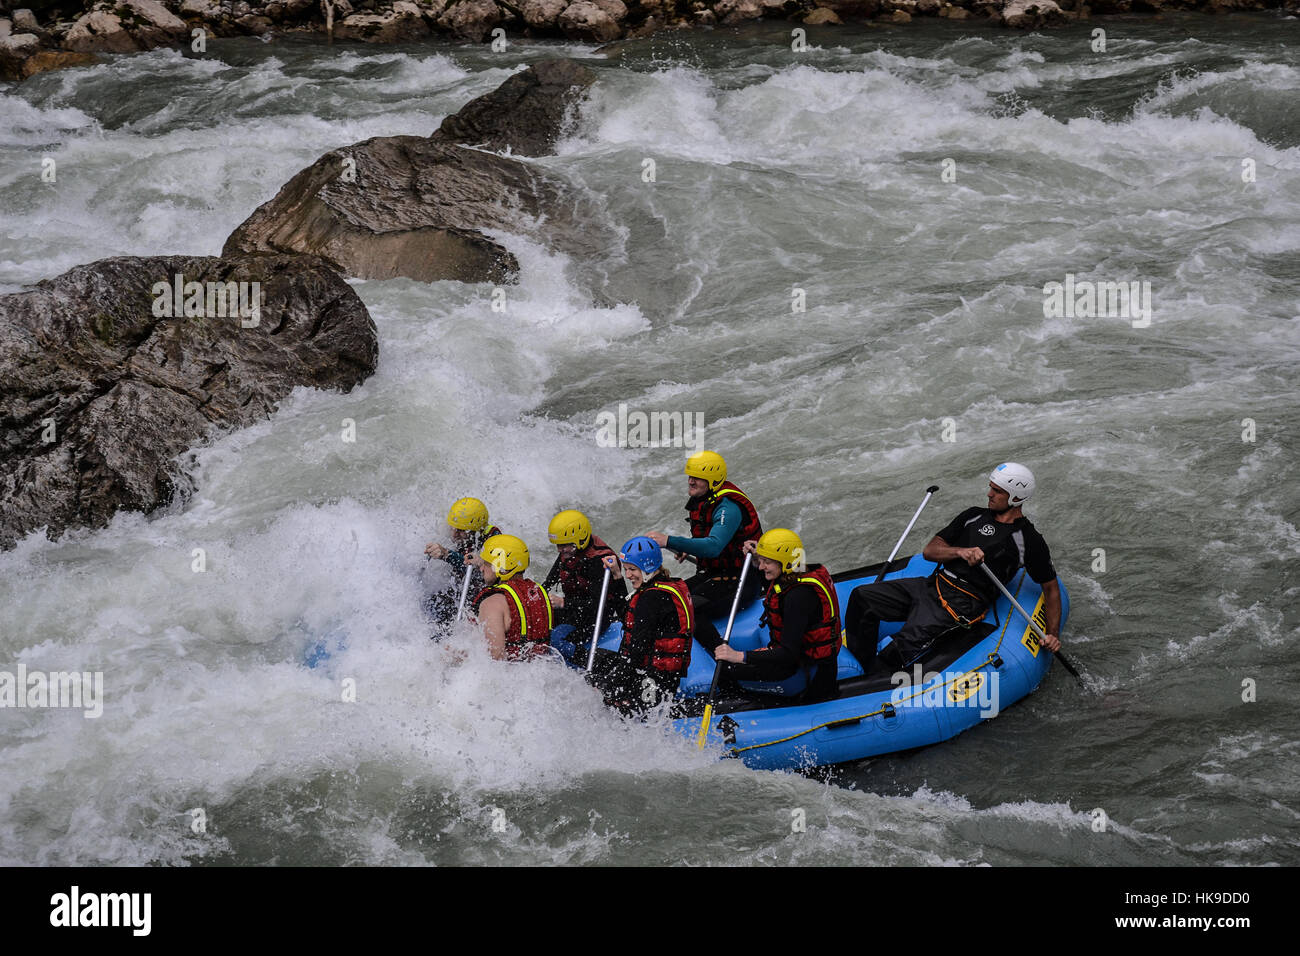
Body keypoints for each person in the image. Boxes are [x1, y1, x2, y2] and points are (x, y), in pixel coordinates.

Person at [844, 463, 1062, 676]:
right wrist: (960, 552)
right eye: (990, 488)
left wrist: (1052, 634)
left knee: (896, 652)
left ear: (1015, 497)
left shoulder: (1028, 539)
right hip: (932, 584)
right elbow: (931, 550)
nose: (989, 494)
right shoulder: (973, 515)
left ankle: (868, 684)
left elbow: (1050, 589)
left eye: (997, 491)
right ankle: (858, 667)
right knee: (862, 597)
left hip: (961, 604)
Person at [709, 529, 842, 702]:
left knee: (726, 671)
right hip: (801, 654)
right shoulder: (797, 569)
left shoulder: (799, 597)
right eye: (761, 561)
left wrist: (739, 656)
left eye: (767, 562)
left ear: (785, 563)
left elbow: (788, 653)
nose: (761, 566)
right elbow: (774, 581)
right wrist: (758, 555)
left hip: (808, 668)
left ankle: (743, 705)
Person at [646, 450, 763, 644]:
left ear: (714, 481)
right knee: (664, 597)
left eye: (698, 478)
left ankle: (722, 659)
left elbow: (713, 547)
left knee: (690, 609)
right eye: (691, 476)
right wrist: (689, 547)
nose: (691, 481)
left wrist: (669, 541)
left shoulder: (728, 507)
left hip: (741, 580)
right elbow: (709, 542)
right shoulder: (705, 499)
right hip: (714, 574)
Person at [588, 537, 694, 716]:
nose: (628, 575)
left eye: (632, 569)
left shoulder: (652, 598)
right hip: (652, 668)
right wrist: (617, 576)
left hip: (656, 677)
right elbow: (628, 617)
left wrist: (608, 684)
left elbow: (636, 651)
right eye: (626, 569)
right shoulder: (662, 584)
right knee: (598, 663)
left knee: (613, 703)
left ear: (648, 568)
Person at [541, 510, 628, 663]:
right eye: (558, 545)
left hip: (596, 617)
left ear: (578, 540)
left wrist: (563, 603)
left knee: (556, 639)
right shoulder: (569, 552)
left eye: (563, 546)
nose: (559, 550)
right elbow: (548, 583)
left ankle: (590, 665)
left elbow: (596, 605)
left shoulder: (597, 562)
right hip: (574, 611)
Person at [469, 534, 553, 661]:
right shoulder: (538, 593)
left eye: (486, 564)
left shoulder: (492, 603)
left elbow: (495, 657)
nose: (481, 569)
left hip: (508, 674)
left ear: (503, 569)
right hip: (538, 670)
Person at [423, 497, 501, 624]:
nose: (454, 534)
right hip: (458, 587)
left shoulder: (494, 539)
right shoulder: (451, 527)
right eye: (453, 528)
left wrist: (447, 555)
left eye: (461, 531)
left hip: (481, 593)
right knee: (431, 602)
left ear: (477, 530)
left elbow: (487, 576)